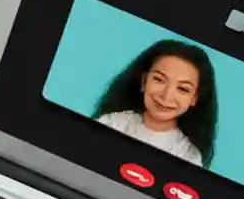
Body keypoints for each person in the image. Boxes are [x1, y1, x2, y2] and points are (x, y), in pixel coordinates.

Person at [93, 39, 218, 168]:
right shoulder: (113, 123)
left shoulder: (188, 155)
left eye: (183, 89)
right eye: (159, 80)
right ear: (144, 81)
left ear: (194, 98)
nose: (166, 96)